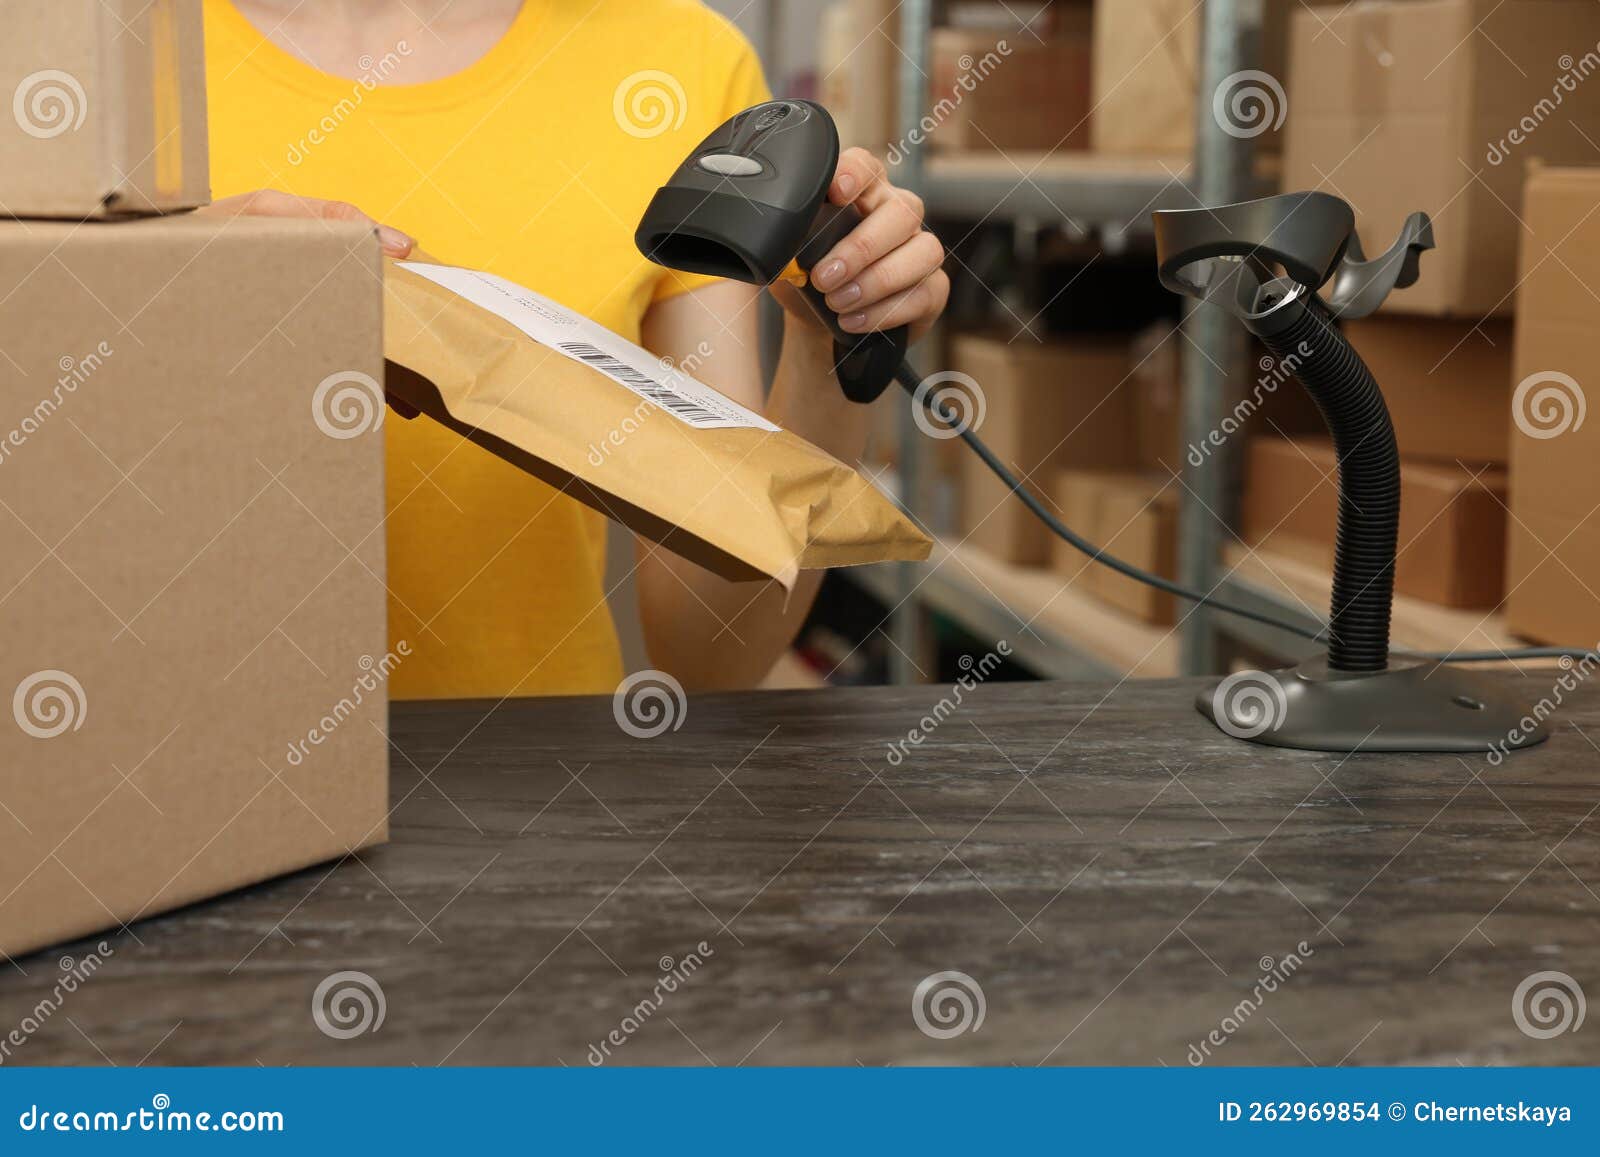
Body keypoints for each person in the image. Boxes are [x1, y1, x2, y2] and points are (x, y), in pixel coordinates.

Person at [201, 0, 948, 699]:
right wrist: (160, 302)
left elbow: (713, 656)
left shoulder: (675, 57)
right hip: (192, 762)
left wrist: (826, 343)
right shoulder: (134, 51)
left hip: (536, 769)